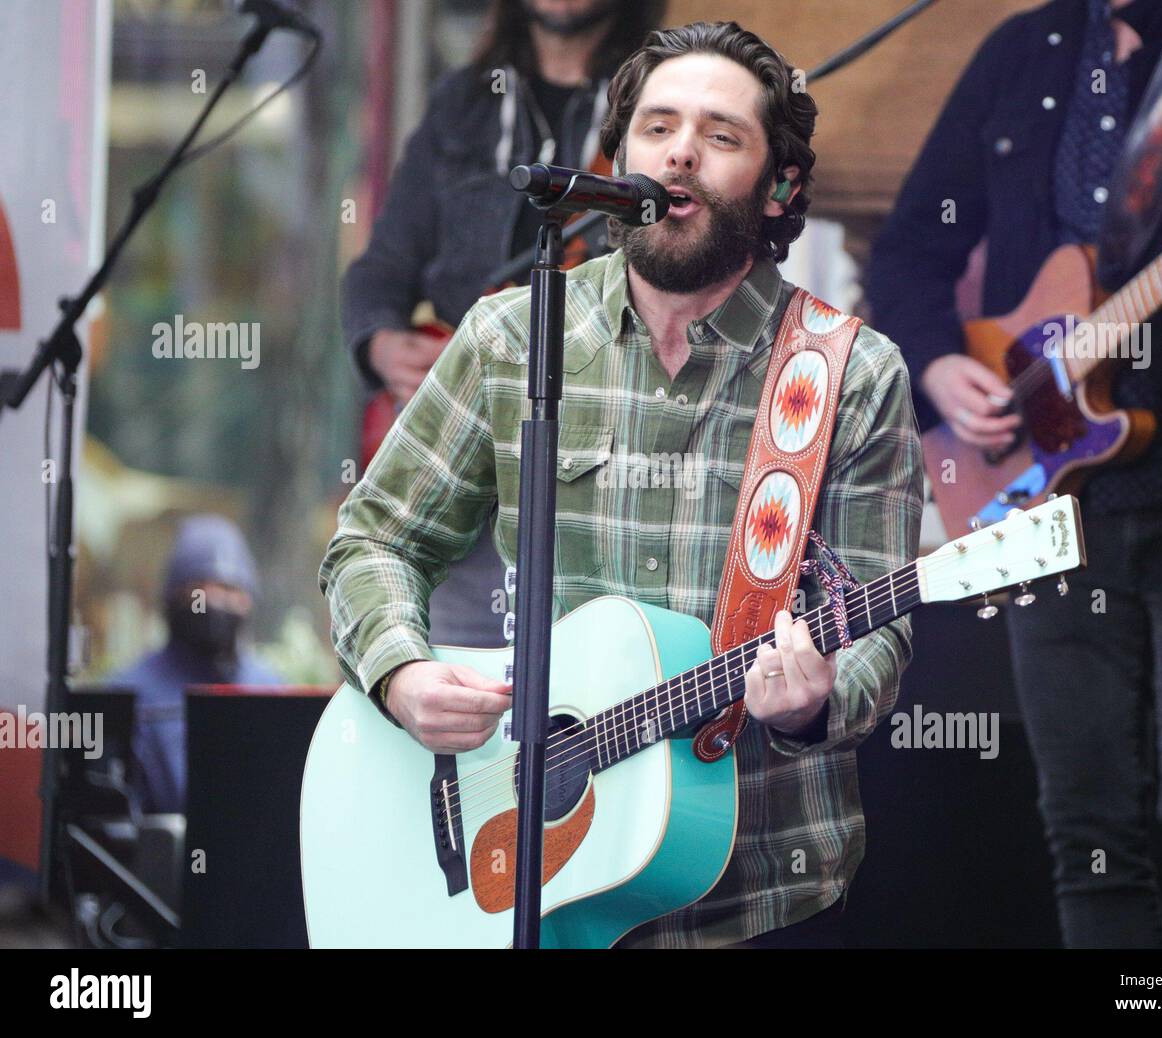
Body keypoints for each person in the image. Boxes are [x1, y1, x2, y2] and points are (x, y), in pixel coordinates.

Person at [320, 20, 924, 948]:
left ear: (780, 188)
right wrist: (399, 669)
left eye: (721, 137)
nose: (680, 150)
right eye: (656, 128)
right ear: (616, 159)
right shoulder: (511, 338)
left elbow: (876, 627)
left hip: (758, 894)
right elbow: (375, 541)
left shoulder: (855, 373)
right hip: (541, 881)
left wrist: (814, 699)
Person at [868, 0, 1162, 948]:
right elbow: (907, 252)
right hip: (1043, 495)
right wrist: (941, 363)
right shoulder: (1024, 51)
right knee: (1085, 828)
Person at [341, 0, 664, 651]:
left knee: (584, 680)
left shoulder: (657, 110)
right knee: (454, 673)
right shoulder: (463, 102)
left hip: (593, 457)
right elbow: (379, 270)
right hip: (465, 452)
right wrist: (381, 343)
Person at [113, 515, 279, 814]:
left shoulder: (273, 694)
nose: (215, 600)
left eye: (229, 589)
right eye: (201, 588)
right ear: (174, 596)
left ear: (247, 600)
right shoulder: (129, 697)